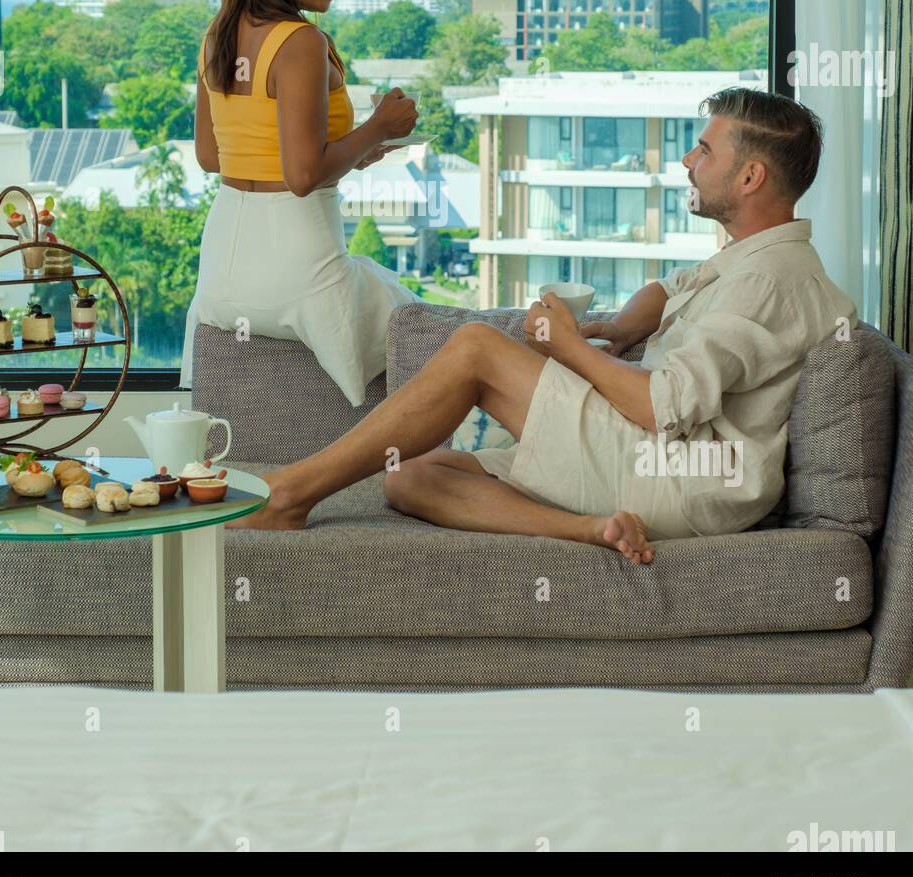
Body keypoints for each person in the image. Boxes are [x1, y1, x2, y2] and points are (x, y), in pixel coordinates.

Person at [229, 87, 859, 565]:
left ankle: (289, 495)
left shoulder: (770, 282)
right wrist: (617, 325)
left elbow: (660, 404)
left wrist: (567, 346)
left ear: (750, 177)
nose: (688, 160)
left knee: (476, 348)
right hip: (662, 469)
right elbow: (672, 288)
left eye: (705, 149)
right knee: (408, 474)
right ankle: (594, 529)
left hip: (680, 476)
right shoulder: (757, 258)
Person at [180, 0, 419, 405]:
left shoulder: (217, 34)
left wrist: (355, 151)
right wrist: (380, 125)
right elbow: (302, 175)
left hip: (221, 274)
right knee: (420, 324)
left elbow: (212, 156)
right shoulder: (300, 41)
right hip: (298, 271)